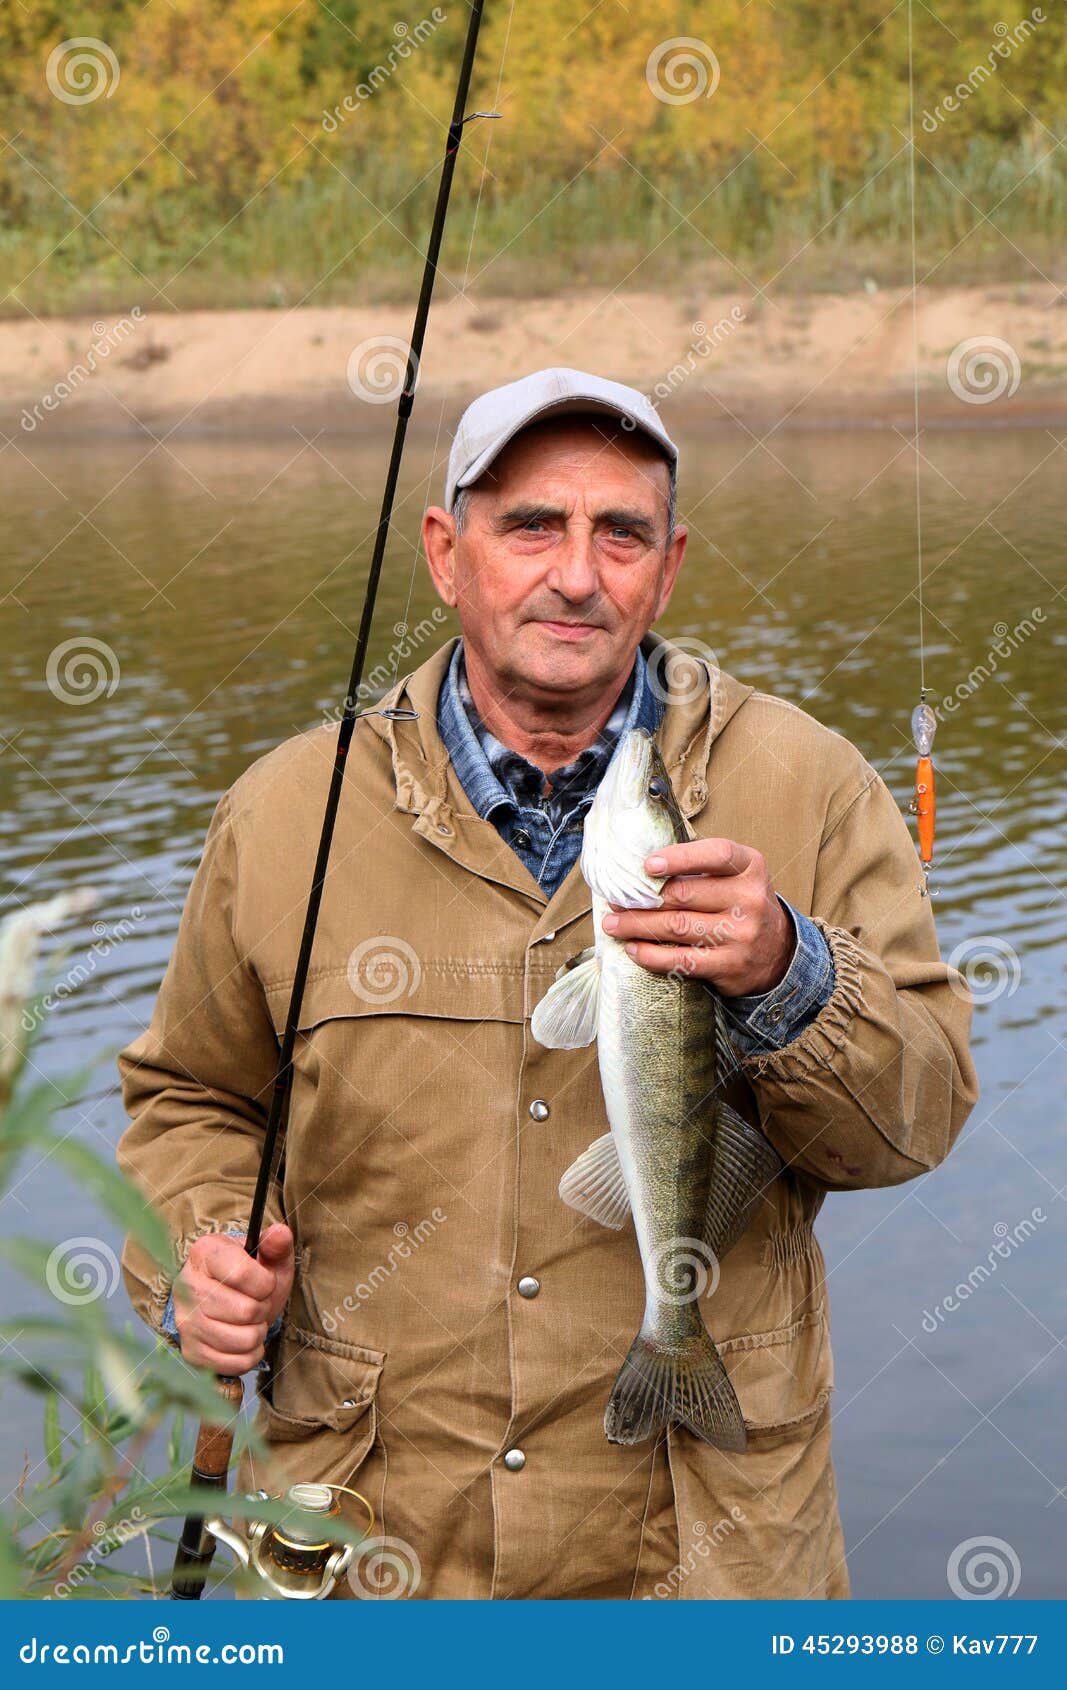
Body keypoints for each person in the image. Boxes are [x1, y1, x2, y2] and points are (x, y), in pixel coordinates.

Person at [116, 367, 978, 1600]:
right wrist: (200, 1253)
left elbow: (920, 1114)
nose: (577, 574)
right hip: (363, 1547)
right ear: (443, 551)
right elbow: (189, 1100)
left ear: (667, 566)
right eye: (531, 525)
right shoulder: (284, 808)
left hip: (702, 1559)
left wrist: (791, 969)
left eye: (618, 532)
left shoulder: (815, 783)